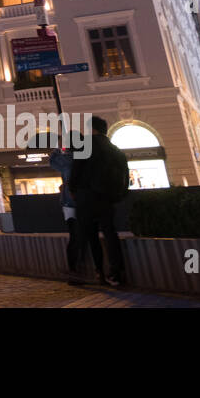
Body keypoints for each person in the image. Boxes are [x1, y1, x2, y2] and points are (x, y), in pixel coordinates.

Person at [69, 115, 129, 287]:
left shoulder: (86, 144)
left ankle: (96, 272)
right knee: (110, 233)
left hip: (86, 196)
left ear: (92, 129)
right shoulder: (116, 149)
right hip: (107, 198)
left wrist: (73, 189)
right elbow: (126, 174)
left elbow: (76, 170)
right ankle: (116, 273)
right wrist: (119, 194)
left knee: (89, 235)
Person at [49, 146, 82, 282]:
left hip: (70, 204)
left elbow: (52, 160)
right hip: (87, 201)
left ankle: (73, 270)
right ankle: (98, 271)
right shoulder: (86, 158)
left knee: (74, 236)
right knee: (88, 236)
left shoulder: (67, 160)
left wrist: (57, 149)